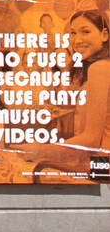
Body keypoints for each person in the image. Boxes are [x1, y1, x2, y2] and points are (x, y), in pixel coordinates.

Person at [29, 9, 110, 179]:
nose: (77, 40)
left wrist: (37, 149)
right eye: (73, 33)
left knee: (35, 168)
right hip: (95, 160)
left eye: (86, 32)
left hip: (101, 164)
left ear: (104, 35)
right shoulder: (93, 67)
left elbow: (91, 139)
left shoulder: (100, 69)